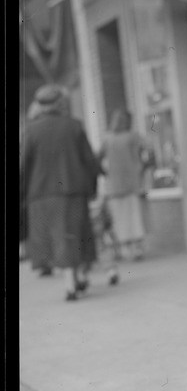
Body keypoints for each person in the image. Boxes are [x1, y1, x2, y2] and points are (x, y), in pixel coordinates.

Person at [20, 84, 101, 301]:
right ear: (60, 103)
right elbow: (90, 161)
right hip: (73, 190)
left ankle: (70, 283)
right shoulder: (74, 126)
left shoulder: (31, 129)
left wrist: (22, 194)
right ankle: (74, 278)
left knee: (57, 238)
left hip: (41, 194)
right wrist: (92, 188)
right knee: (75, 234)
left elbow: (22, 165)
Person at [98, 108, 147, 261]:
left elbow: (97, 158)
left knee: (120, 218)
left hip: (114, 185)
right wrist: (141, 167)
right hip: (133, 182)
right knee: (134, 216)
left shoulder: (107, 139)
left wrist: (106, 173)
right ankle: (137, 249)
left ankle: (125, 249)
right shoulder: (133, 136)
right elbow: (149, 150)